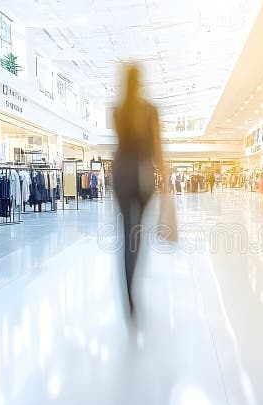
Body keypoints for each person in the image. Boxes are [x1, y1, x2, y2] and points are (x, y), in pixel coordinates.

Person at [112, 64, 167, 316]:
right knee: (137, 233)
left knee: (127, 233)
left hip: (121, 175)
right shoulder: (150, 110)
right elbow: (156, 150)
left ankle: (128, 291)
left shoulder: (117, 109)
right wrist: (164, 176)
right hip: (142, 176)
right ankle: (133, 281)